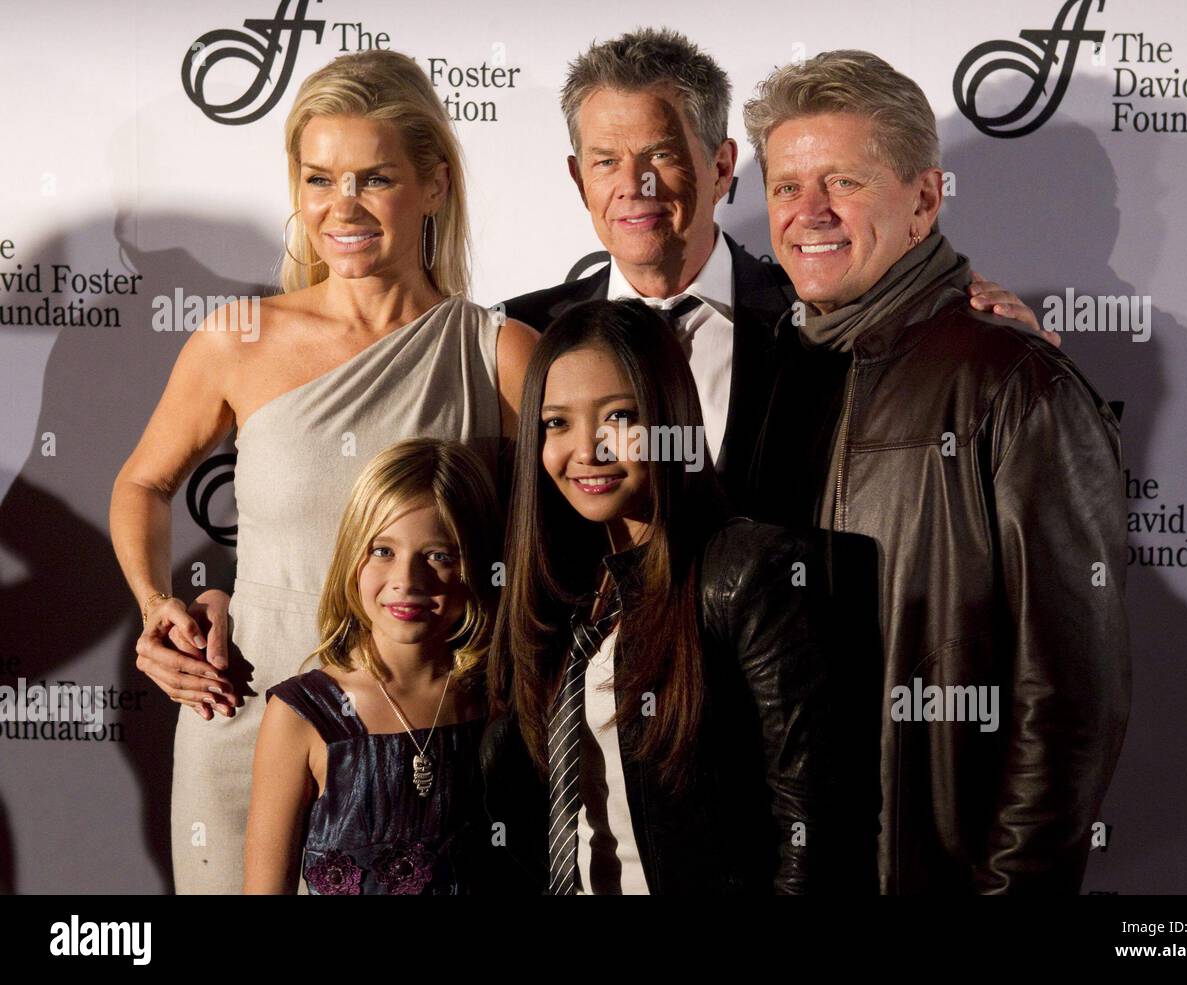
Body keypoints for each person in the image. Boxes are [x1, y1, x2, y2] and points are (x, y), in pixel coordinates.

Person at [108, 49, 537, 893]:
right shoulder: (237, 338)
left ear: (435, 184)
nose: (342, 207)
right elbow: (142, 484)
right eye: (319, 179)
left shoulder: (496, 352)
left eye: (374, 178)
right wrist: (158, 607)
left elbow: (565, 537)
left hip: (421, 741)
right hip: (242, 713)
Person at [742, 50, 1130, 894]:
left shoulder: (1014, 379)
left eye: (841, 182)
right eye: (784, 187)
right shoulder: (772, 372)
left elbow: (1069, 698)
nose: (808, 214)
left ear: (922, 199)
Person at [501, 28, 1051, 511]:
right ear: (578, 180)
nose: (632, 184)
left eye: (661, 155)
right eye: (605, 161)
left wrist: (1006, 357)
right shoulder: (520, 337)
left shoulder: (827, 321)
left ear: (720, 168)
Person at [483, 299, 836, 894]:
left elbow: (812, 829)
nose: (587, 449)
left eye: (619, 417)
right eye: (556, 423)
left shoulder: (747, 573)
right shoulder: (561, 592)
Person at [244, 438, 500, 895]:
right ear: (352, 558)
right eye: (383, 551)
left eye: (439, 556)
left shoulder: (499, 696)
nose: (407, 581)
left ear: (476, 565)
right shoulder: (302, 713)